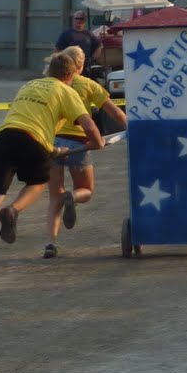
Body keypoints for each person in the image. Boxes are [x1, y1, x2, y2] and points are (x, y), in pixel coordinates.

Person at [0, 52, 103, 275]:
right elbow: (90, 128)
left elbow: (31, 118)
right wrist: (96, 143)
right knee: (38, 183)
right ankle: (13, 210)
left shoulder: (29, 86)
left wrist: (53, 150)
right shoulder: (67, 91)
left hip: (4, 136)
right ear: (69, 75)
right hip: (34, 140)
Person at [43, 47, 126, 260]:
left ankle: (51, 243)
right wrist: (131, 126)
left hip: (53, 142)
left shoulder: (53, 85)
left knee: (54, 196)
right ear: (80, 66)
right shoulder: (89, 85)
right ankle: (74, 196)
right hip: (79, 142)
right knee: (86, 190)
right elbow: (113, 111)